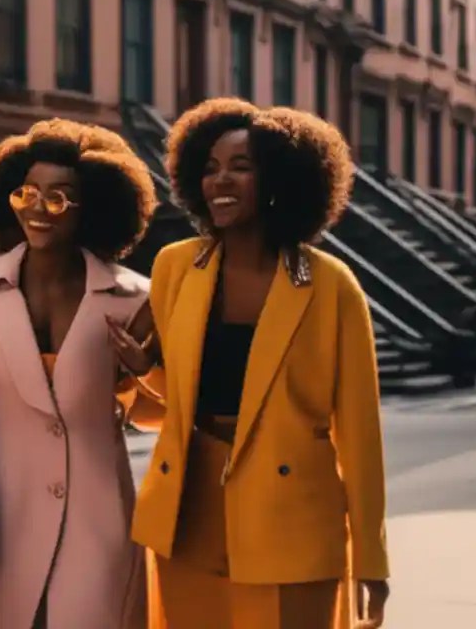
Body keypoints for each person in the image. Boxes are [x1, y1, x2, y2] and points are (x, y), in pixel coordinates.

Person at [123, 99, 391, 629]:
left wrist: (371, 560)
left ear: (278, 179)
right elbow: (174, 405)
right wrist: (140, 370)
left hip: (292, 522)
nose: (220, 181)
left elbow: (360, 437)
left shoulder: (332, 286)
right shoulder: (175, 267)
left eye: (240, 167)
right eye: (210, 167)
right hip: (188, 513)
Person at [0, 119, 161, 628]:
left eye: (60, 198)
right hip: (0, 523)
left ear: (94, 210)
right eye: (27, 193)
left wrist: (144, 373)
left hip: (100, 520)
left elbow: (160, 416)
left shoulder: (137, 299)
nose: (38, 209)